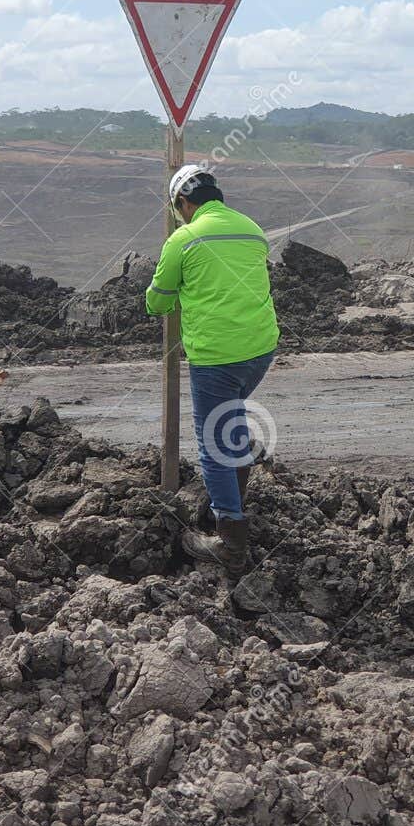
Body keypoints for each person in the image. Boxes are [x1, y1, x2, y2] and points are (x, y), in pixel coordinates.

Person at [145, 164, 279, 575]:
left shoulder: (182, 240)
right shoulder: (252, 229)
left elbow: (159, 300)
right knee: (230, 419)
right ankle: (236, 500)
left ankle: (230, 544)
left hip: (218, 356)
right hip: (260, 350)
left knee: (213, 445)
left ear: (183, 203)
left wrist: (171, 293)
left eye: (178, 209)